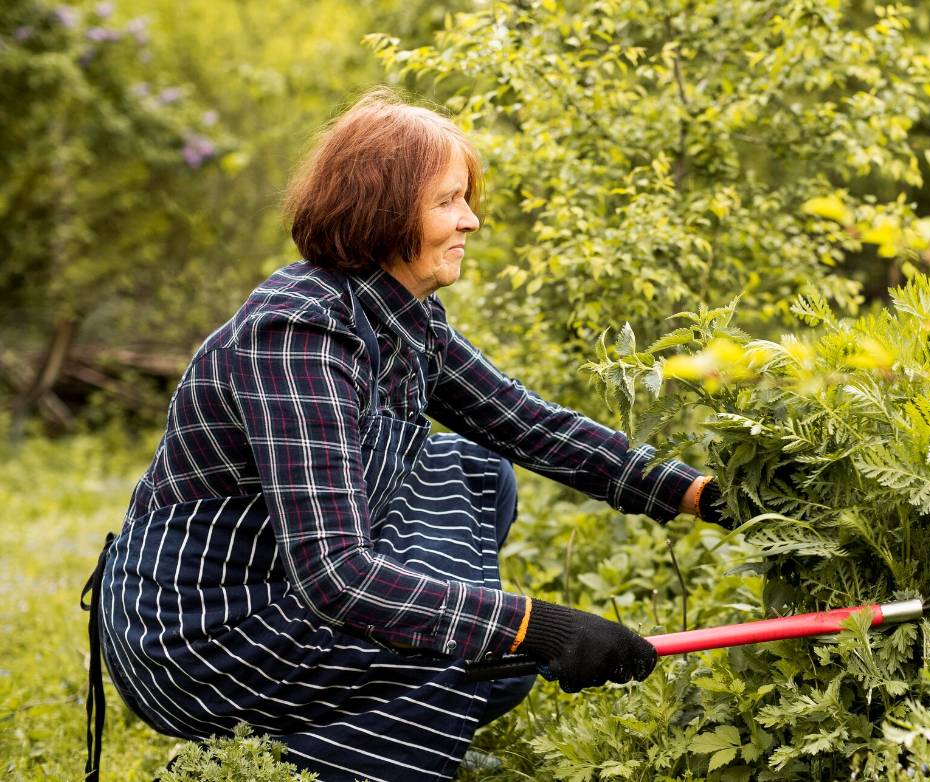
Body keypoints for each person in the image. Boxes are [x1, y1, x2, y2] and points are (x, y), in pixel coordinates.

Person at [82, 88, 727, 782]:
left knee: (481, 518)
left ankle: (291, 754)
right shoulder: (298, 336)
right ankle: (252, 762)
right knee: (478, 651)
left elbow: (530, 425)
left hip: (282, 593)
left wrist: (700, 495)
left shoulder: (406, 320)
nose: (471, 220)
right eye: (450, 200)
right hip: (204, 631)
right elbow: (336, 574)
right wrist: (541, 626)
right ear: (385, 210)